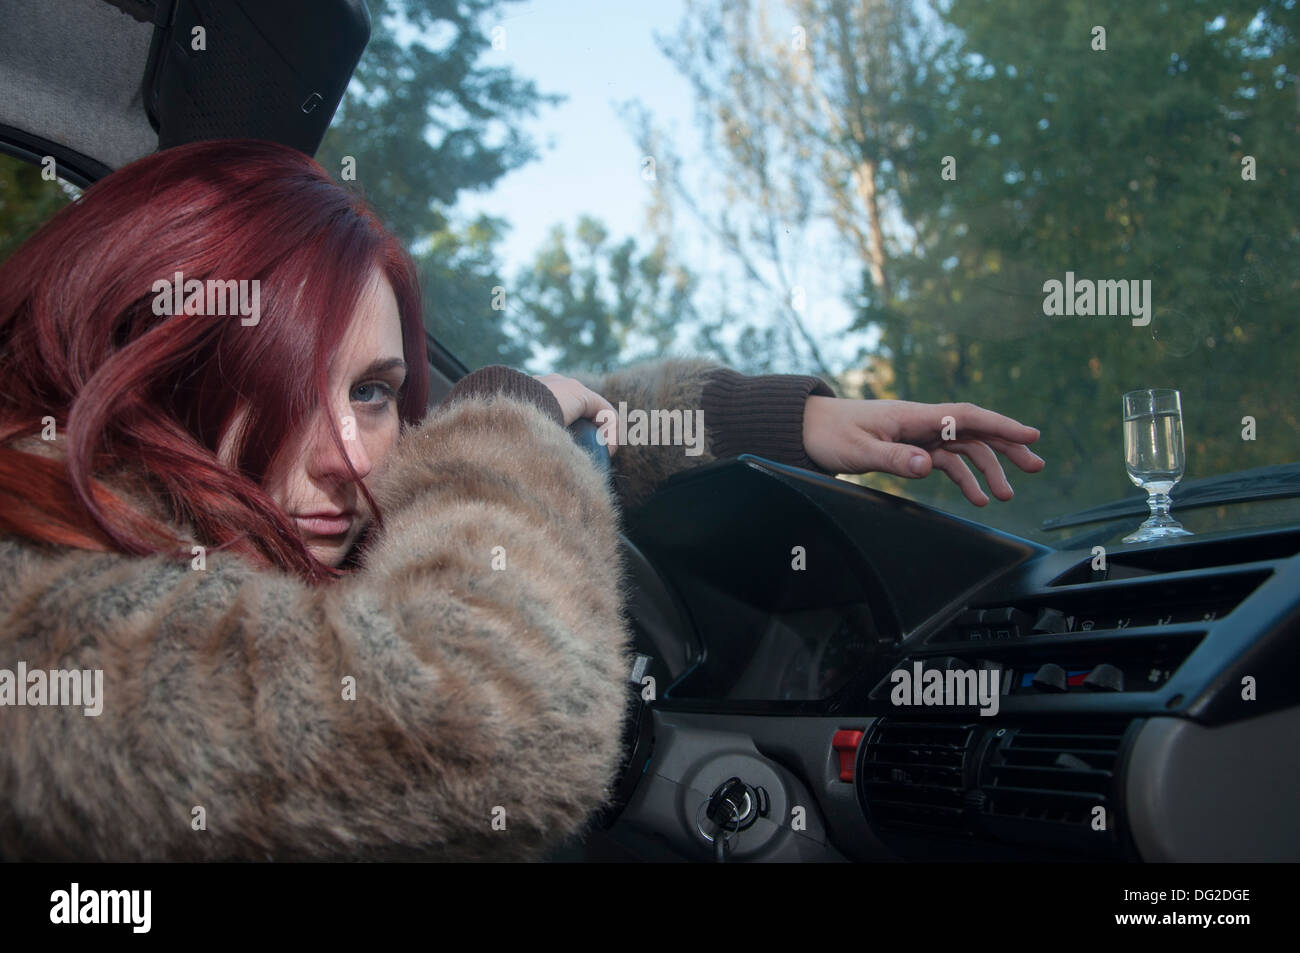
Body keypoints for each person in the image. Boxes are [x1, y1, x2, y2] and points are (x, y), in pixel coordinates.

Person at [0, 139, 1043, 861]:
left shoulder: (168, 540)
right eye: (262, 388)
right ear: (128, 367)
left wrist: (765, 423)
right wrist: (510, 421)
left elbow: (443, 463)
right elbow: (492, 718)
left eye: (371, 390)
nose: (353, 461)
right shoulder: (38, 623)